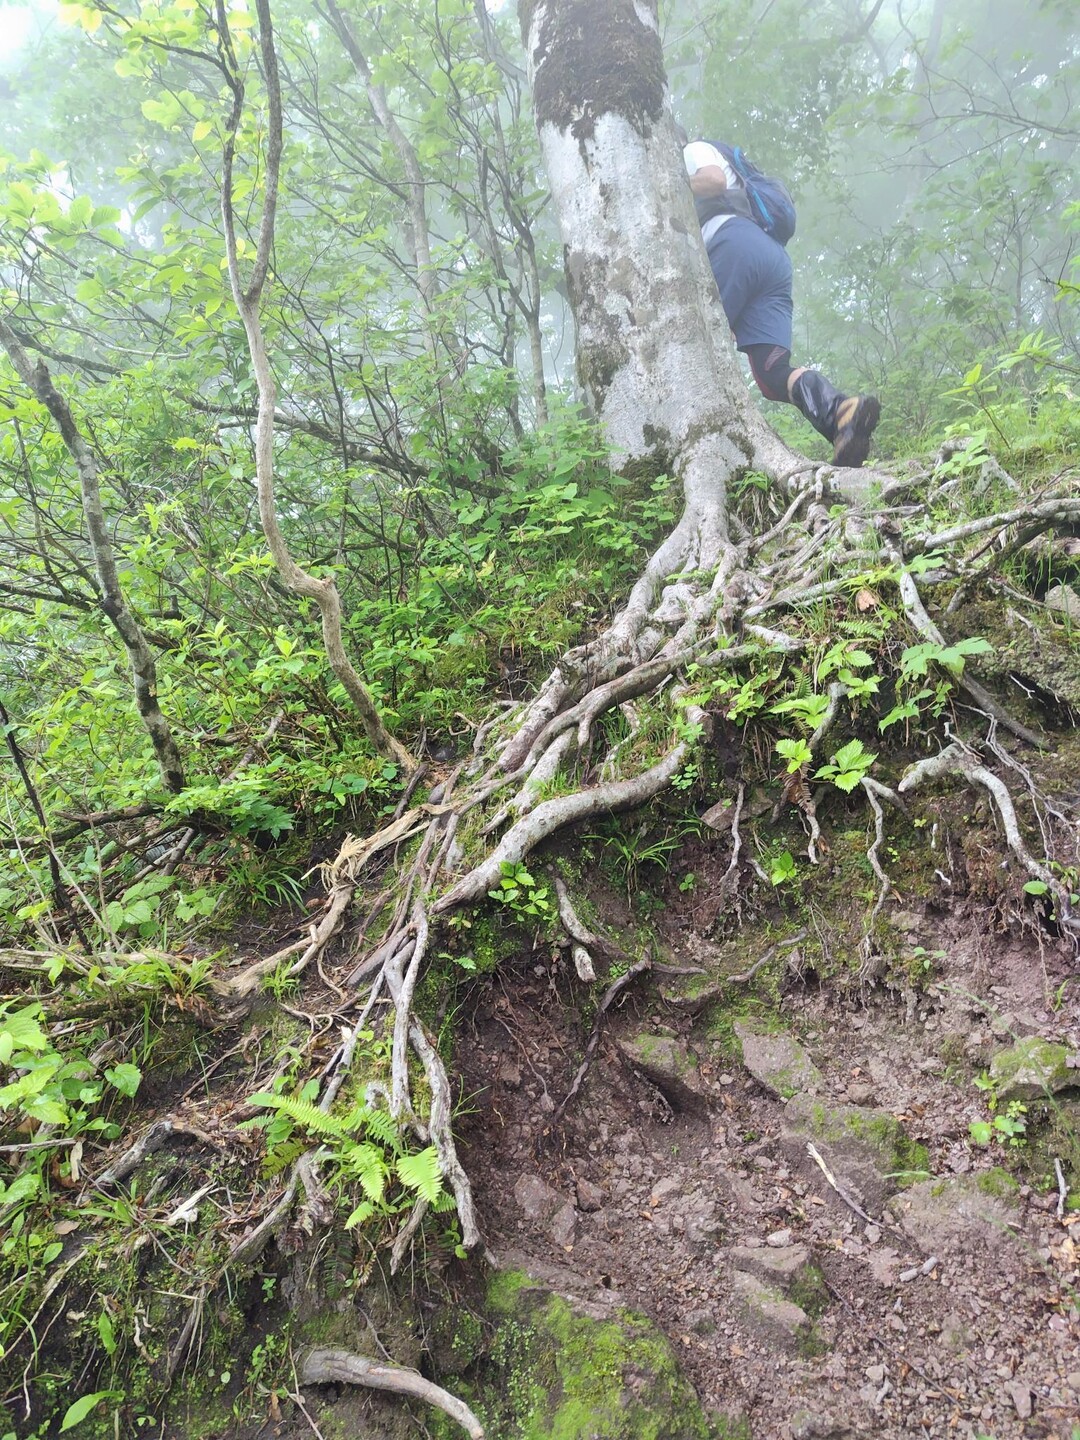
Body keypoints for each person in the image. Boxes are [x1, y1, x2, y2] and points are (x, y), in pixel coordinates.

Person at [682, 135, 880, 469]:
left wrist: (671, 185)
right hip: (772, 261)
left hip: (734, 247)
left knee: (695, 347)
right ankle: (840, 412)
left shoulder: (692, 150)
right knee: (771, 374)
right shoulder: (733, 167)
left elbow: (713, 181)